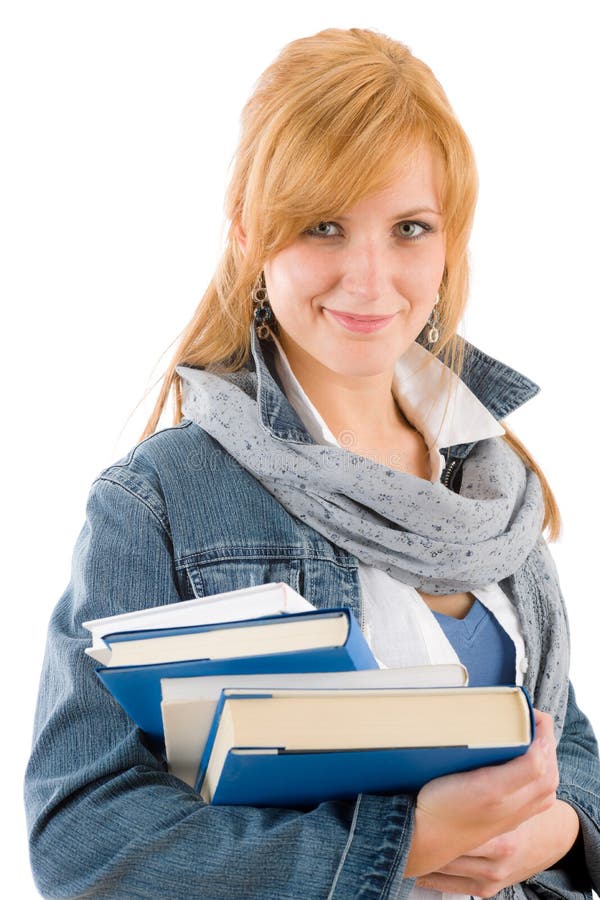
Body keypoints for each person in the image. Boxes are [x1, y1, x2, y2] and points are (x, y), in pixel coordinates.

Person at [24, 26, 599, 899]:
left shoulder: (489, 478)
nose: (370, 279)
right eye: (325, 226)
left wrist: (557, 829)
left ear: (449, 244)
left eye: (409, 228)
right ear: (250, 235)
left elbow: (563, 735)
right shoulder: (164, 499)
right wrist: (398, 845)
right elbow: (82, 834)